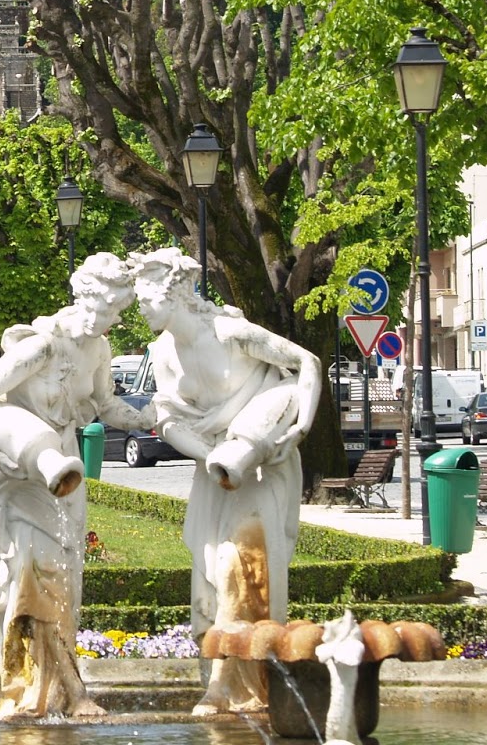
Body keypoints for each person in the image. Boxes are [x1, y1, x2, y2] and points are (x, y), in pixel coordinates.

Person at [0, 252, 155, 721]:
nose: (110, 319)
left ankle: (55, 691)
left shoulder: (99, 349)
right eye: (106, 308)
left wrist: (152, 418)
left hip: (63, 468)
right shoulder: (42, 346)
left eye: (117, 311)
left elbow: (106, 406)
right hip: (19, 471)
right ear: (84, 295)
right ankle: (23, 687)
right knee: (30, 571)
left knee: (64, 575)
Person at [131, 247, 320, 716]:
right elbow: (169, 420)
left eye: (145, 299)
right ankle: (242, 682)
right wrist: (210, 454)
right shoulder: (163, 353)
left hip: (260, 464)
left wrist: (300, 427)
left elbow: (307, 364)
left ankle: (229, 683)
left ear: (174, 294)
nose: (139, 308)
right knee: (217, 573)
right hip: (217, 469)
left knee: (242, 565)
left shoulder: (230, 333)